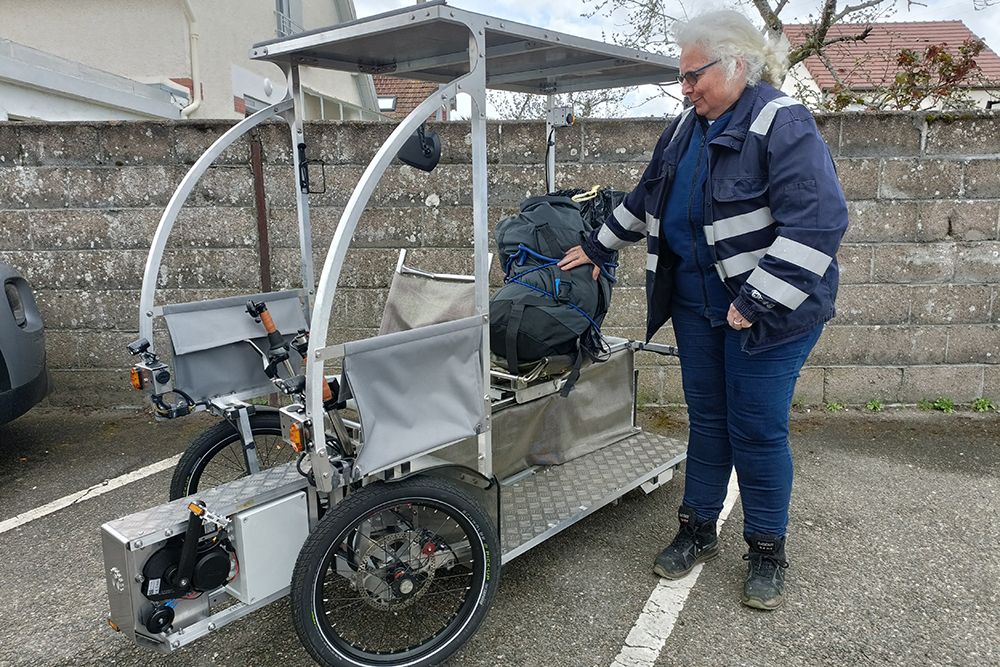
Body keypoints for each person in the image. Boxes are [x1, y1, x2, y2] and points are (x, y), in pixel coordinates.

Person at [558, 9, 848, 610]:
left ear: (737, 64)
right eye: (681, 78)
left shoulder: (781, 121)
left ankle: (767, 550)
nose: (684, 88)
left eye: (694, 76)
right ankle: (696, 528)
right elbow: (644, 200)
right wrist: (593, 247)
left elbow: (819, 223)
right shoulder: (683, 129)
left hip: (767, 316)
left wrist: (757, 299)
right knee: (709, 422)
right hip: (696, 307)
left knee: (757, 430)